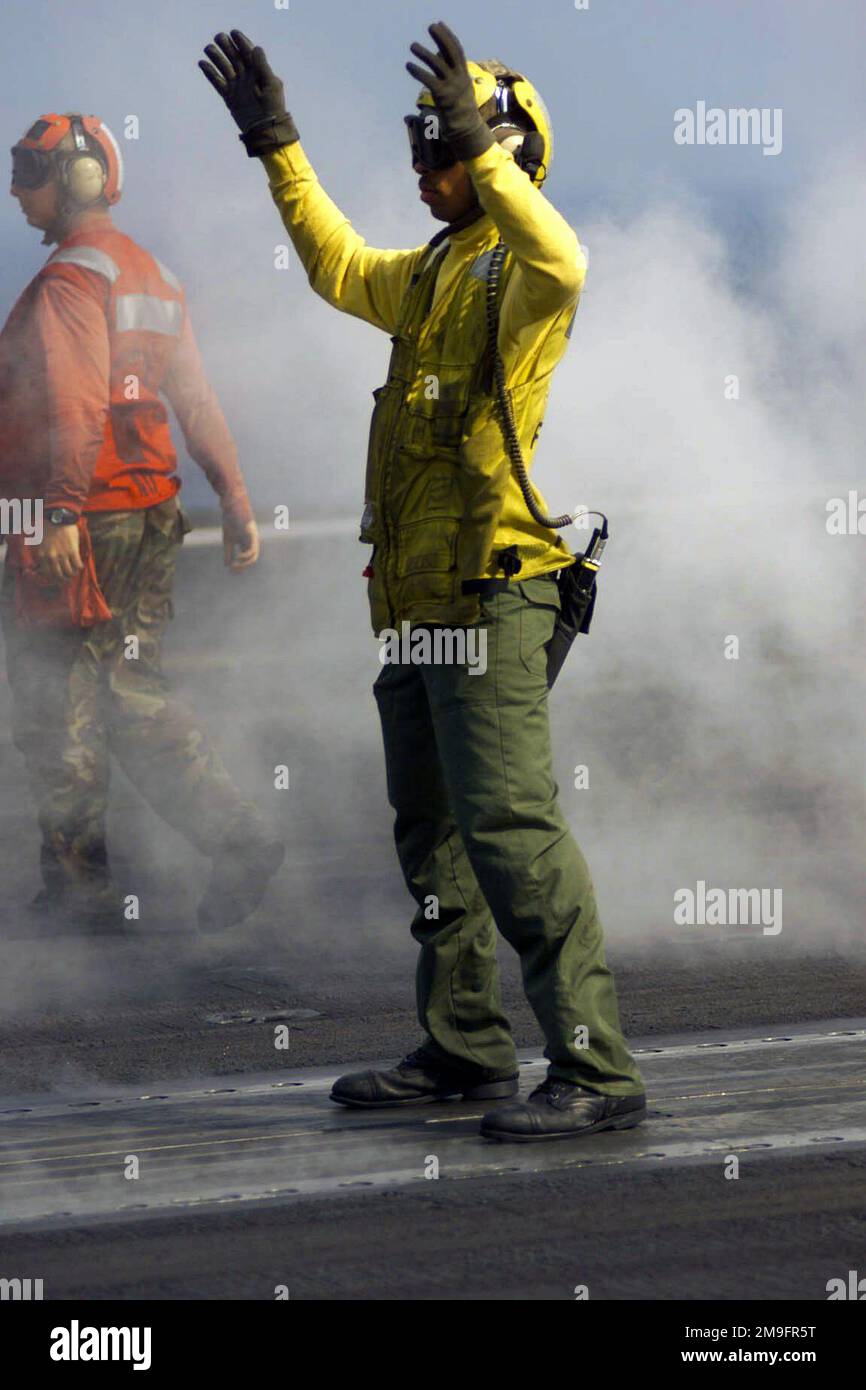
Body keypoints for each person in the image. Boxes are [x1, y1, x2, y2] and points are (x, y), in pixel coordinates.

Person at [200, 22, 645, 1140]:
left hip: (496, 594)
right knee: (434, 836)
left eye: (437, 144)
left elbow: (566, 259)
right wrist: (274, 142)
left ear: (496, 149)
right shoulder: (443, 267)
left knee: (510, 830)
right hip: (422, 606)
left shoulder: (519, 272)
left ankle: (595, 1071)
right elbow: (337, 265)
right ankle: (463, 1047)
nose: (420, 164)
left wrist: (486, 159)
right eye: (421, 140)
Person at [1, 111, 283, 933]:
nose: (18, 190)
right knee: (130, 694)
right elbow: (190, 396)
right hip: (152, 516)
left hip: (84, 526)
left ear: (81, 177)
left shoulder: (68, 282)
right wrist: (232, 497)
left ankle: (80, 897)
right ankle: (237, 839)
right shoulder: (151, 275)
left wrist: (56, 513)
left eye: (31, 170)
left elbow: (74, 403)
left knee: (59, 708)